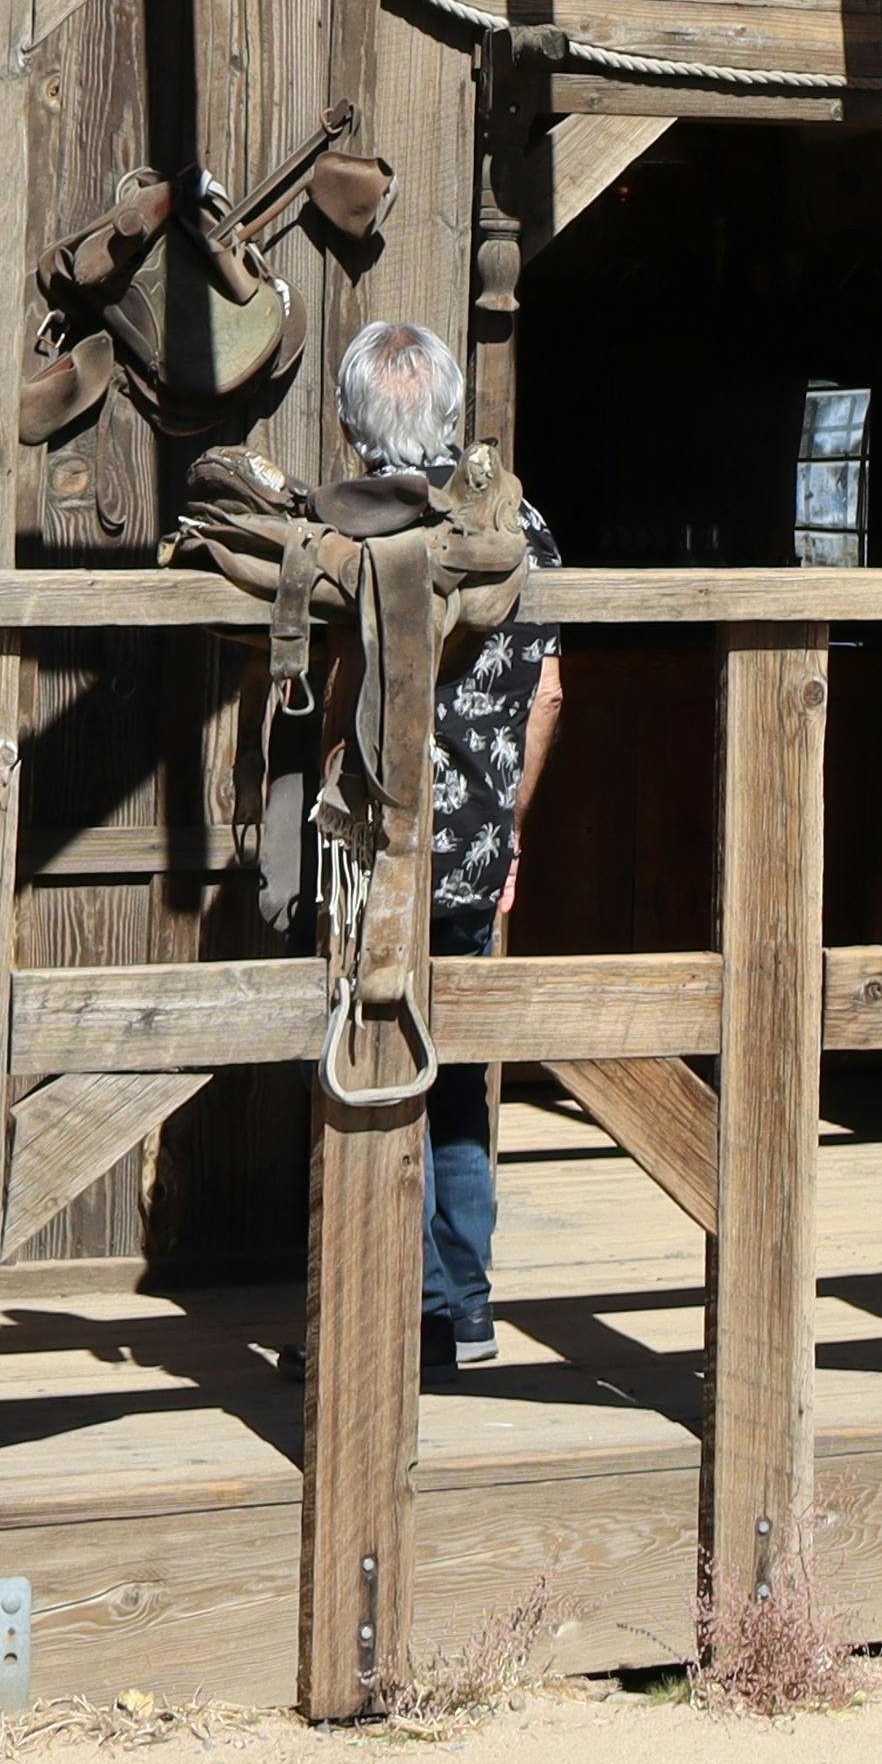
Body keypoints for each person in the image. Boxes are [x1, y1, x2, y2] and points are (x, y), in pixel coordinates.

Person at [328, 317, 558, 1380]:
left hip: (378, 846)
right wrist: (507, 825)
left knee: (376, 1064)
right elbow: (549, 691)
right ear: (456, 417)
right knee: (459, 1076)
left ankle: (398, 1317)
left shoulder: (352, 534)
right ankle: (466, 1306)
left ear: (350, 422)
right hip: (472, 850)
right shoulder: (531, 531)